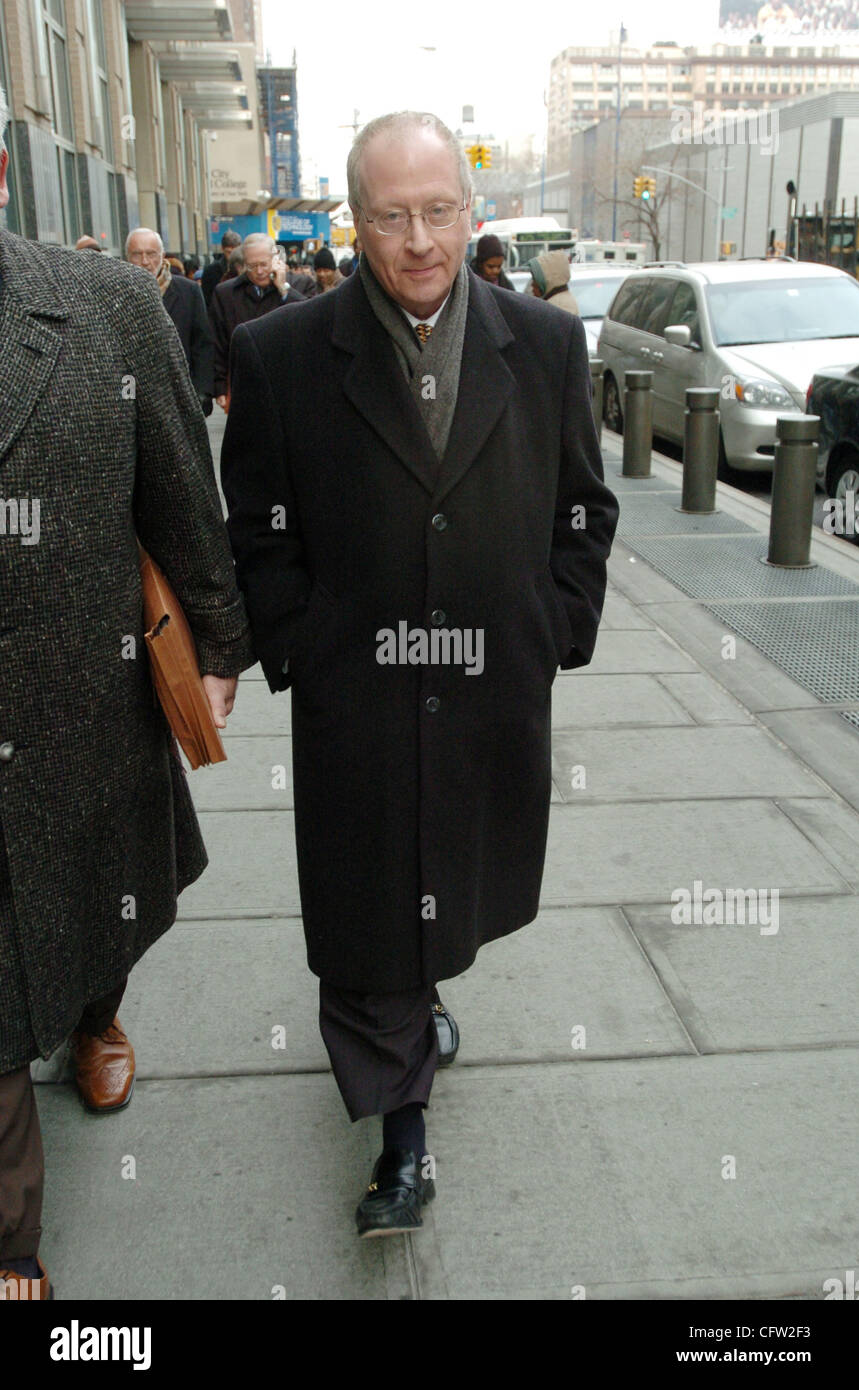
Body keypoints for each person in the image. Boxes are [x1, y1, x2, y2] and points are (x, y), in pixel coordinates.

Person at [221, 109, 618, 1239]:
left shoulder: (541, 345)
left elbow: (583, 509)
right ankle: (403, 1146)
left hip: (492, 690)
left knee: (441, 887)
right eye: (391, 216)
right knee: (363, 928)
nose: (418, 239)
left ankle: (423, 1000)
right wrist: (305, 647)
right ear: (356, 221)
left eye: (439, 210)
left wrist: (554, 628)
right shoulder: (283, 353)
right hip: (359, 699)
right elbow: (258, 528)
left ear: (471, 210)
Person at [0, 87, 254, 1300]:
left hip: (82, 704)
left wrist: (217, 641)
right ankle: (13, 1254)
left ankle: (96, 1014)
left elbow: (178, 492)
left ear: (0, 175)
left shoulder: (102, 305)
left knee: (92, 906)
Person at [209, 233, 305, 410]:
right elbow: (217, 343)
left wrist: (283, 290)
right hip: (244, 385)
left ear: (275, 259)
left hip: (288, 385)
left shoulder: (299, 284)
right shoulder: (226, 294)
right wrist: (219, 386)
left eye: (264, 264)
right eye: (252, 266)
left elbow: (308, 323)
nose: (259, 271)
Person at [126, 226, 215, 417]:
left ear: (162, 255)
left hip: (180, 394)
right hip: (134, 396)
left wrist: (202, 392)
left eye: (151, 254)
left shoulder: (188, 291)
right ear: (127, 257)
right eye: (137, 254)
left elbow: (203, 343)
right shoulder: (116, 293)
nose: (145, 262)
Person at [527, 249, 580, 314]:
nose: (532, 285)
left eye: (535, 280)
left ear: (546, 280)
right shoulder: (555, 302)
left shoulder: (558, 306)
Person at [201, 230, 241, 308]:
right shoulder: (211, 271)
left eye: (234, 252)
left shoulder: (246, 268)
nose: (231, 256)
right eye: (228, 252)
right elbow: (207, 298)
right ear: (222, 249)